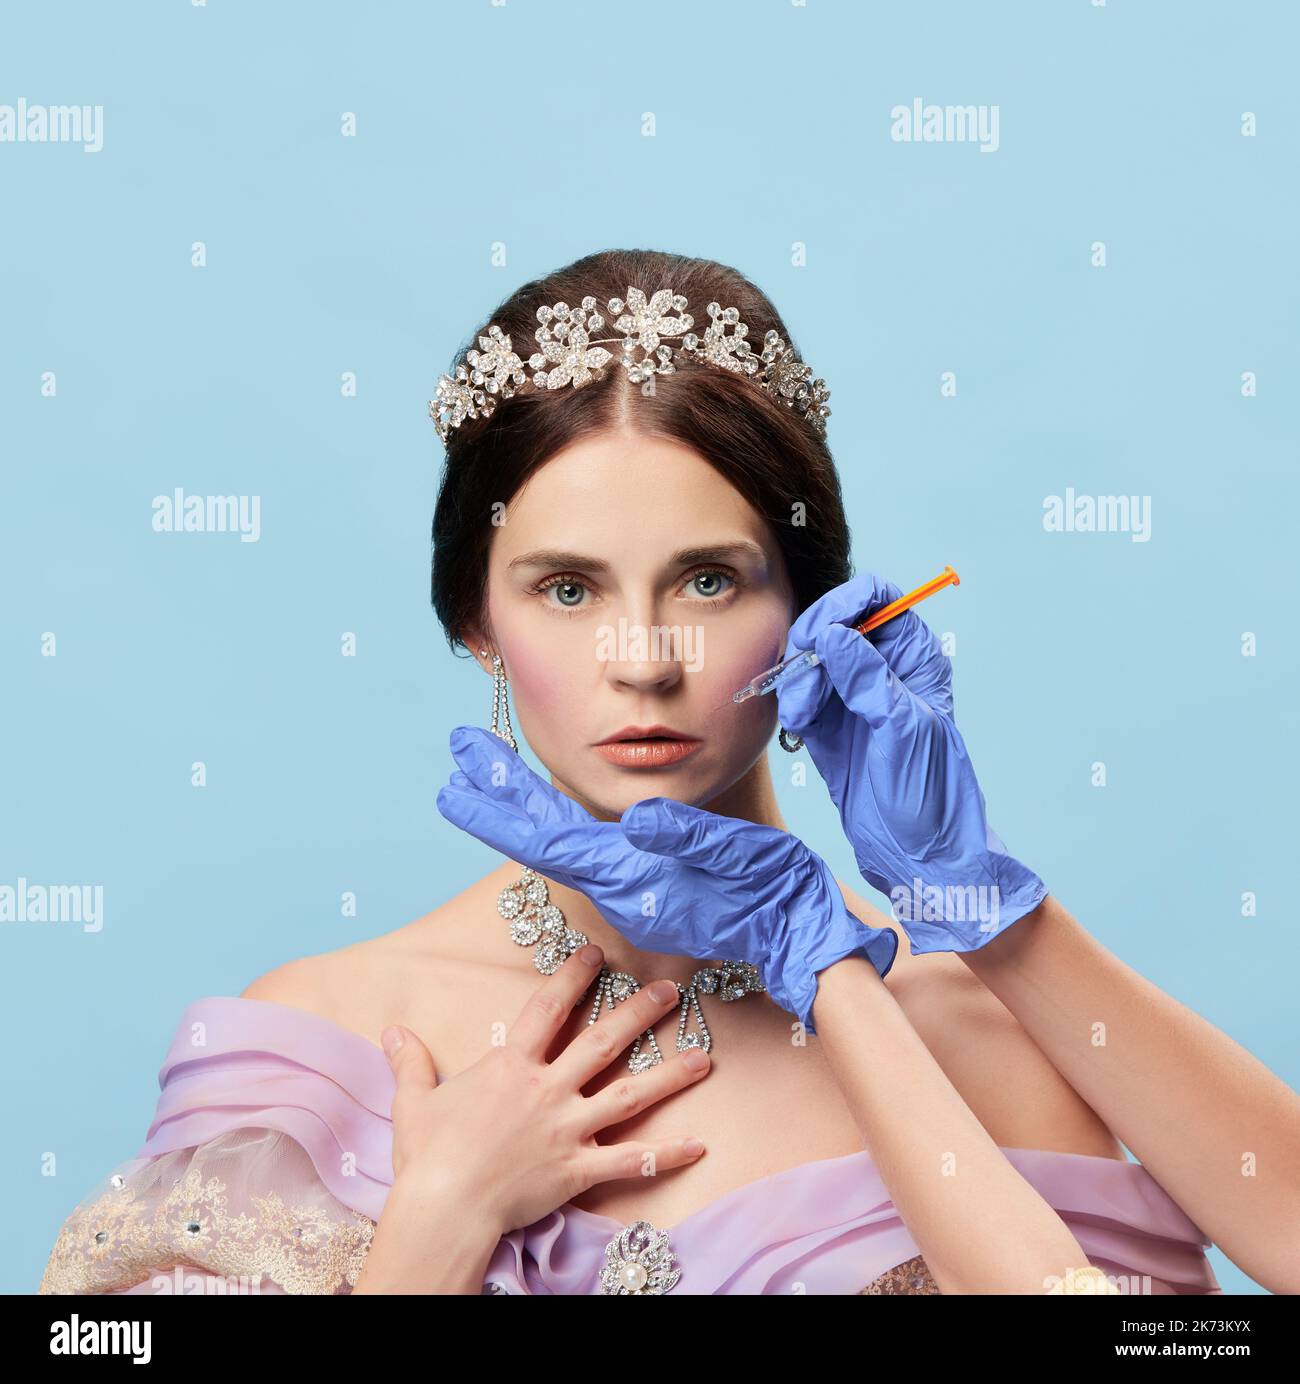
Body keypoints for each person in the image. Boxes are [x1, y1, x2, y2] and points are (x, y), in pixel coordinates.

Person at [40, 249, 1263, 1295]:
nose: (644, 662)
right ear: (475, 620)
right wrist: (433, 1229)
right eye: (567, 589)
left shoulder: (996, 1035)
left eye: (709, 579)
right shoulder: (326, 1034)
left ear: (812, 608)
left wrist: (946, 904)